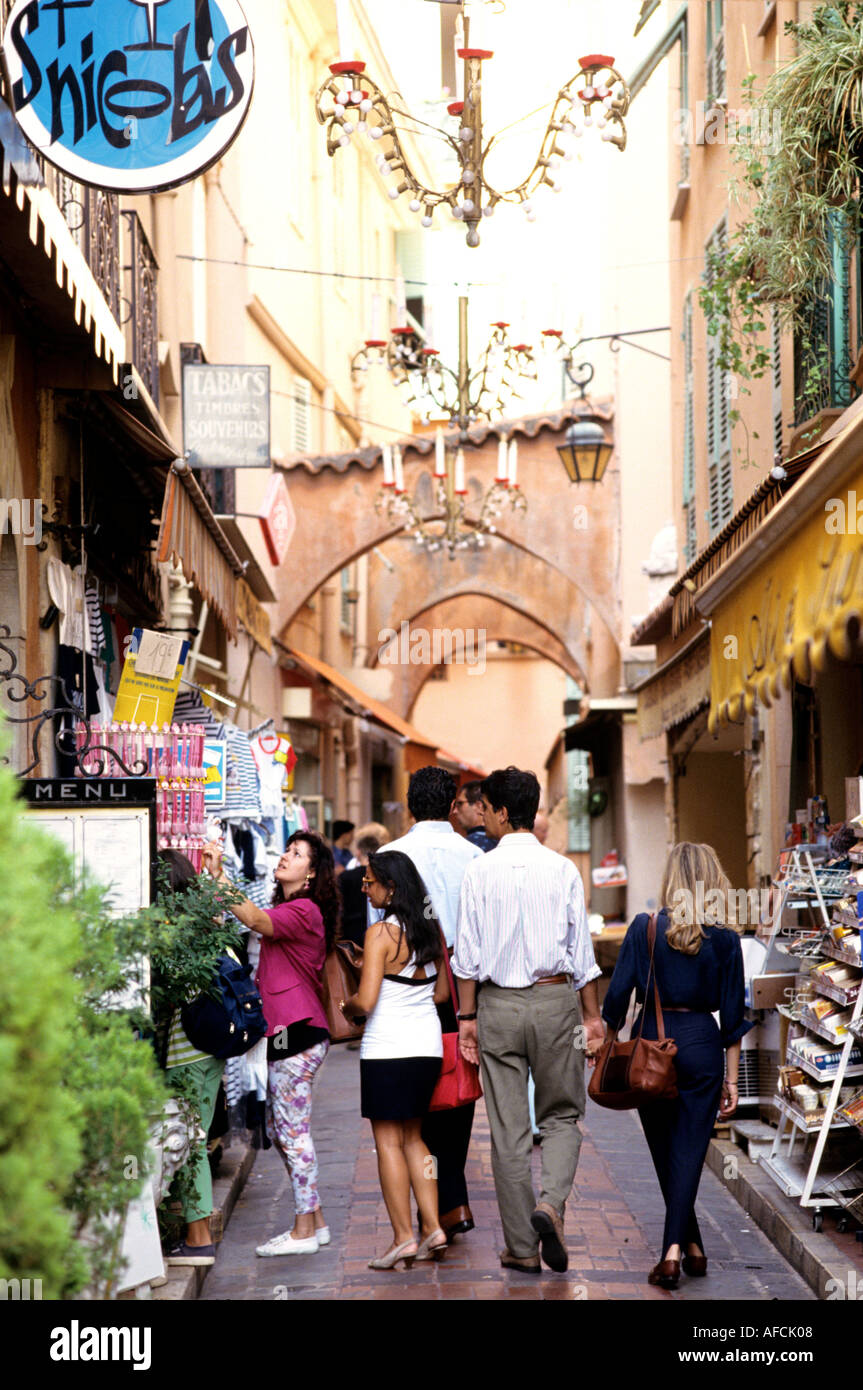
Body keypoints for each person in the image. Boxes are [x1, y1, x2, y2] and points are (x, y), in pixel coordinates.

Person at [454, 767, 604, 1274]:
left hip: (496, 1005)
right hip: (555, 1000)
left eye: (485, 808)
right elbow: (581, 954)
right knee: (562, 1115)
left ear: (500, 811)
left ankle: (521, 1247)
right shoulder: (562, 870)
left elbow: (467, 958)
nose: (481, 816)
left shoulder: (478, 871)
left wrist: (467, 1017)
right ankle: (551, 1204)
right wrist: (594, 1018)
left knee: (508, 1130)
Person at [601, 841, 751, 1289]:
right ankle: (694, 1247)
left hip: (651, 1046)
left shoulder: (645, 928)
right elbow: (734, 1017)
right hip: (703, 1045)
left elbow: (616, 997)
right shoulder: (725, 939)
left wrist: (607, 1041)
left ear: (672, 879)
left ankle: (669, 1254)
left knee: (667, 1151)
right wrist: (731, 1078)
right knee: (687, 1151)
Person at [202, 831, 337, 1257]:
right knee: (283, 1133)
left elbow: (257, 922)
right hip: (289, 1031)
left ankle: (302, 1232)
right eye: (287, 850)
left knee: (293, 1135)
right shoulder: (293, 906)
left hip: (298, 1030)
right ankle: (314, 1221)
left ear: (311, 873)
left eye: (296, 855)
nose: (284, 857)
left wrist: (221, 877)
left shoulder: (304, 909)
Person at [373, 766, 483, 1241]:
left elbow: (379, 933)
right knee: (457, 1086)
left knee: (416, 1102)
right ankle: (450, 1200)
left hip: (408, 987)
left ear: (411, 804)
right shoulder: (474, 855)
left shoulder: (388, 856)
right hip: (464, 986)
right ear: (452, 804)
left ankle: (432, 1209)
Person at [341, 850, 450, 1270]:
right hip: (426, 1047)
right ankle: (434, 1227)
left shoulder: (380, 934)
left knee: (387, 1141)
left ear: (393, 886)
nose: (364, 888)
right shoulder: (429, 930)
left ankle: (404, 1237)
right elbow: (440, 995)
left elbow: (366, 1002)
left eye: (370, 882)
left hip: (388, 1047)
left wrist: (345, 1006)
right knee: (415, 1138)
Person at [160, 849, 227, 1268]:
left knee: (191, 1142)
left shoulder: (172, 932)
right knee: (193, 1139)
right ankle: (193, 1229)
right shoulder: (202, 924)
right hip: (207, 1052)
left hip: (186, 1055)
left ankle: (198, 1238)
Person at [338, 833, 382, 949]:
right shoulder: (381, 878)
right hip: (374, 930)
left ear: (358, 852)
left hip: (348, 932)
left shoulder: (345, 876)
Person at [453, 780, 497, 853]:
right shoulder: (500, 843)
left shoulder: (467, 846)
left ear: (479, 806)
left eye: (460, 804)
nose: (455, 811)